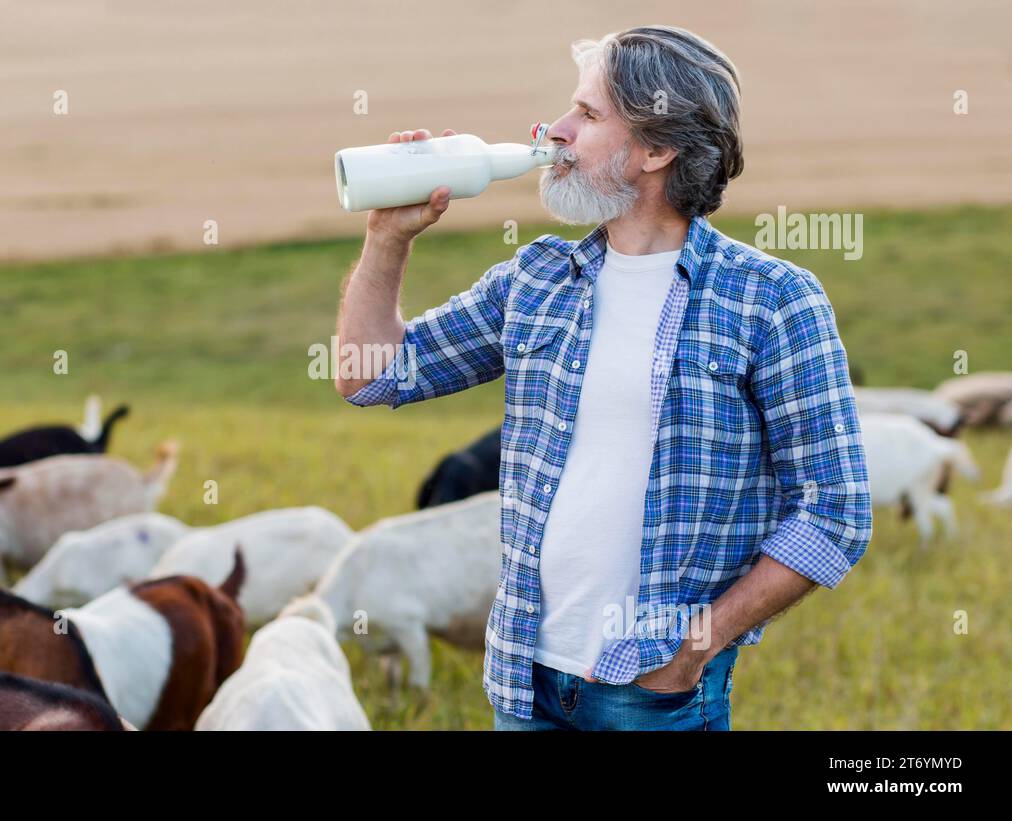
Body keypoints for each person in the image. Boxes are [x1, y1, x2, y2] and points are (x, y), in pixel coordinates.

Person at [334, 26, 871, 730]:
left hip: (651, 694)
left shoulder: (771, 299)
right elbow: (371, 375)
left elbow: (835, 509)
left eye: (587, 115)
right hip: (524, 684)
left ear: (656, 149)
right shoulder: (536, 278)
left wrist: (693, 646)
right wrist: (388, 237)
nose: (554, 131)